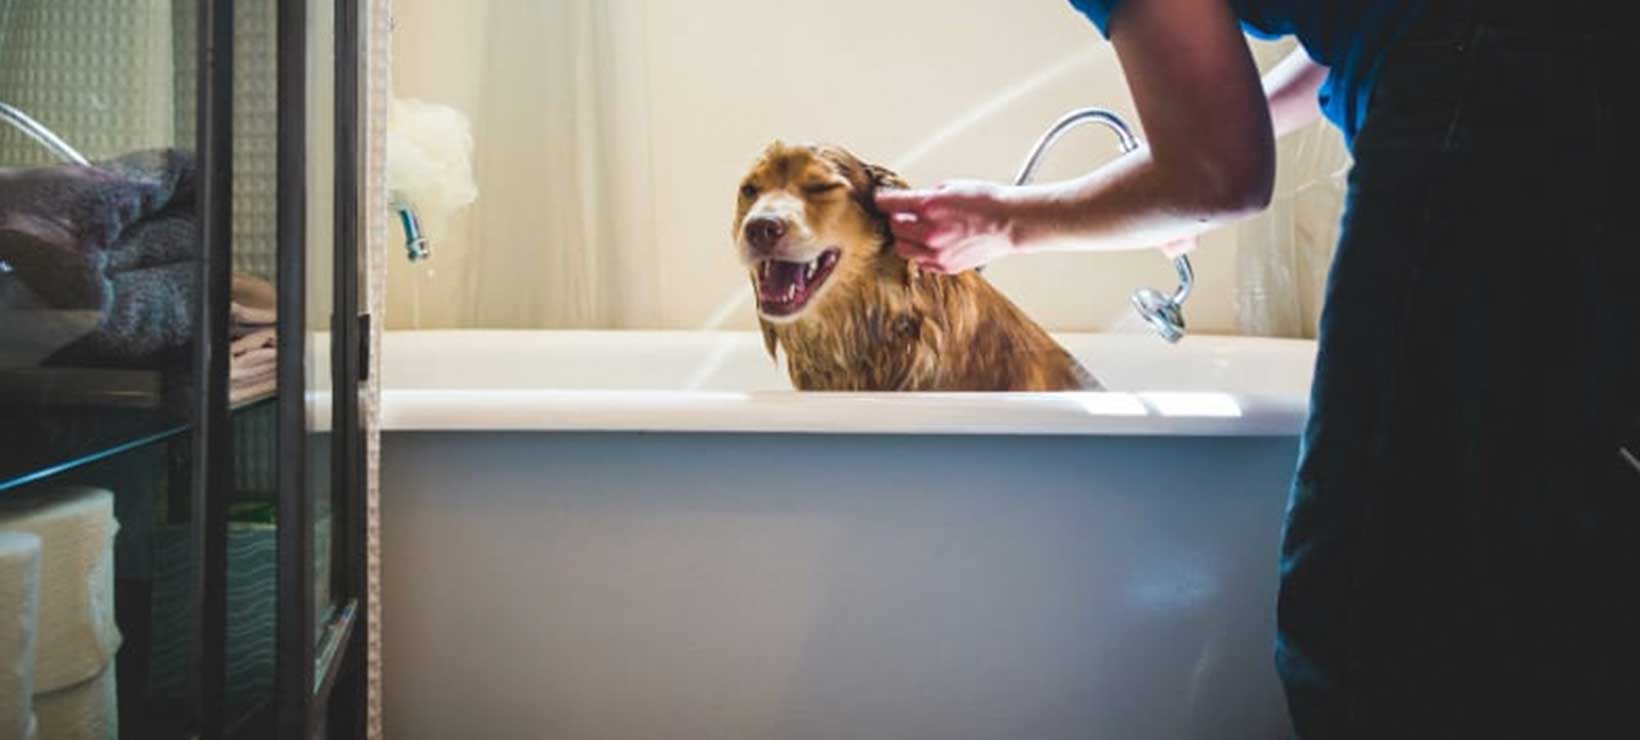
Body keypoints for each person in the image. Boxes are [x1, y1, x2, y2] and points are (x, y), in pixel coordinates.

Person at [874, 1, 1637, 736]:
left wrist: (1005, 222)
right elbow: (1319, 57)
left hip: (1501, 80)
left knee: (1369, 615)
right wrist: (1172, 163)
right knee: (1544, 557)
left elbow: (1221, 178)